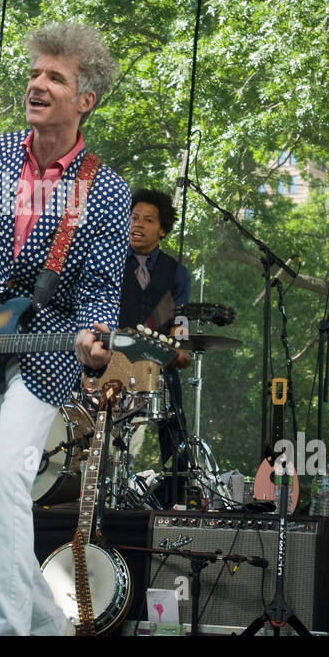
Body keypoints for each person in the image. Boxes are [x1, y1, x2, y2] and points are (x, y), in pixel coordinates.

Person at [0, 22, 130, 635]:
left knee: (6, 471)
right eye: (35, 72)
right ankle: (50, 626)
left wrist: (96, 337)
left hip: (49, 349)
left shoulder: (105, 190)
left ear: (84, 101)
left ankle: (3, 631)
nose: (37, 84)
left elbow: (101, 288)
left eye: (55, 78)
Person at [118, 189, 194, 506]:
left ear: (162, 229)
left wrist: (179, 347)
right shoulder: (109, 262)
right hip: (111, 362)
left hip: (159, 367)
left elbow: (180, 320)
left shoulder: (177, 273)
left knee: (174, 424)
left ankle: (177, 498)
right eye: (133, 217)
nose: (137, 225)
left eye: (148, 220)